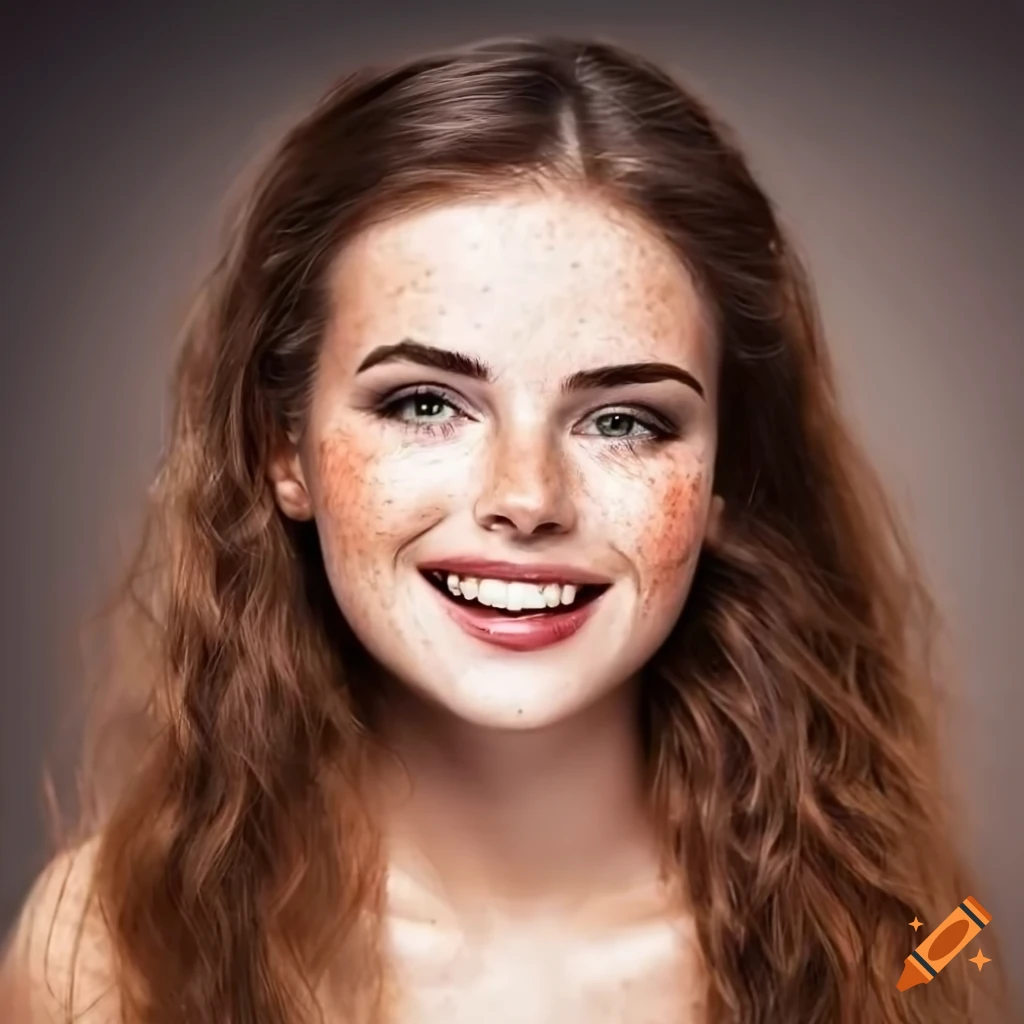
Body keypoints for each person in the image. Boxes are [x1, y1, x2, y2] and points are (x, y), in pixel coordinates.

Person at [0, 33, 1008, 1024]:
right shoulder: (106, 952)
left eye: (623, 420)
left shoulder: (910, 944)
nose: (527, 497)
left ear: (720, 481)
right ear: (284, 449)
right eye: (425, 403)